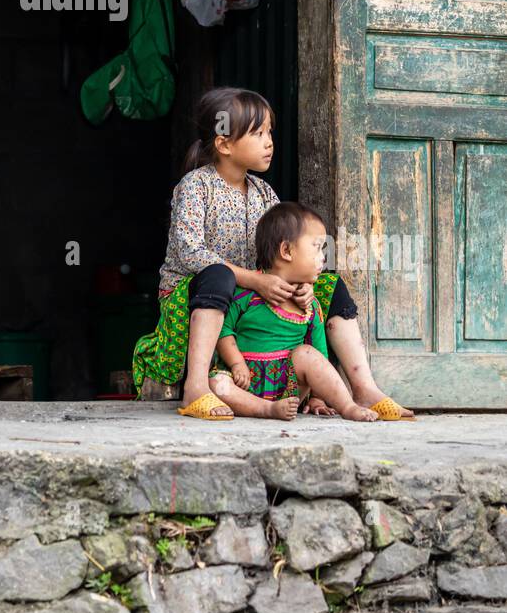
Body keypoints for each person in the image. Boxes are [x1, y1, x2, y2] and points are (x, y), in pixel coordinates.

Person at [131, 86, 415, 422]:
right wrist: (253, 279)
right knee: (218, 276)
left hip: (255, 290)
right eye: (258, 133)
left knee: (329, 285)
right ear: (223, 144)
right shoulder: (196, 186)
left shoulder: (265, 193)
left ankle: (363, 387)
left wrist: (302, 283)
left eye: (270, 132)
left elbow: (282, 254)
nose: (269, 142)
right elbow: (191, 252)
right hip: (196, 293)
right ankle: (196, 387)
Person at [212, 202, 379, 421]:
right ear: (286, 251)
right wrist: (236, 363)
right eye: (317, 247)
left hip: (289, 389)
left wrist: (317, 398)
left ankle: (348, 407)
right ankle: (265, 409)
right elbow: (223, 330)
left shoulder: (310, 306)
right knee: (215, 382)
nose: (323, 257)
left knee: (307, 354)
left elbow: (319, 355)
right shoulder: (246, 296)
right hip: (244, 382)